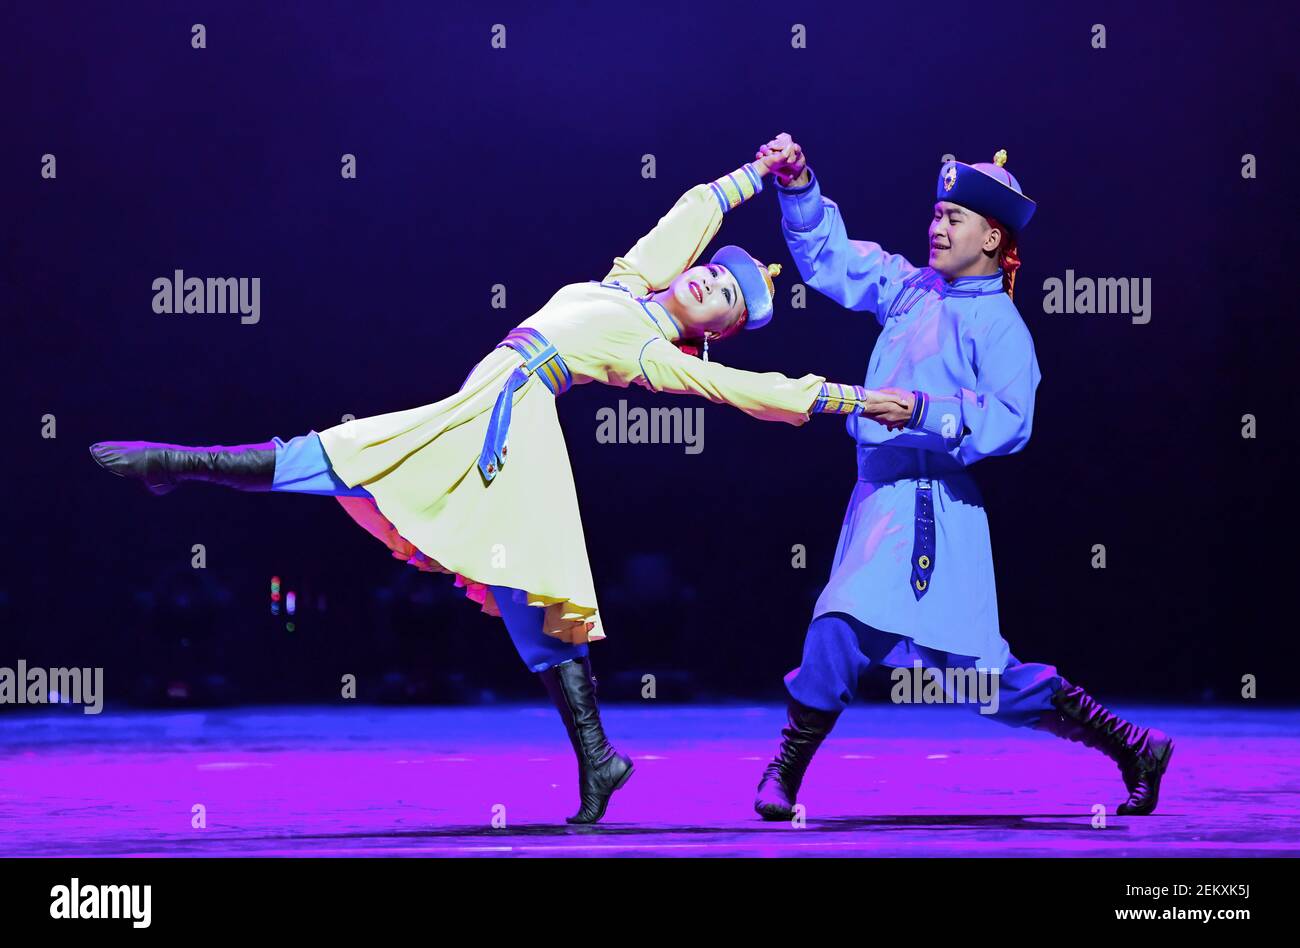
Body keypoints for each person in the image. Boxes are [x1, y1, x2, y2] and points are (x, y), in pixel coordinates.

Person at [90, 149, 909, 825]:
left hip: (513, 436)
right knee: (506, 584)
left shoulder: (654, 349)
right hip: (480, 408)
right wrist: (756, 174)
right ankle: (600, 760)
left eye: (726, 302)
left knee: (360, 466)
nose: (710, 287)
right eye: (714, 276)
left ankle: (177, 462)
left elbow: (754, 391)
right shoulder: (627, 281)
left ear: (714, 333)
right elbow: (688, 212)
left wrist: (851, 397)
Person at [750, 133, 1174, 820]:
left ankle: (1132, 746)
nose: (936, 225)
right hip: (882, 499)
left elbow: (1012, 419)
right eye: (936, 212)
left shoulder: (1000, 326)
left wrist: (919, 409)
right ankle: (786, 772)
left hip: (941, 512)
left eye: (952, 218)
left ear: (990, 235)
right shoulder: (911, 291)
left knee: (981, 682)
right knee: (838, 626)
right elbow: (831, 260)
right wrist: (798, 186)